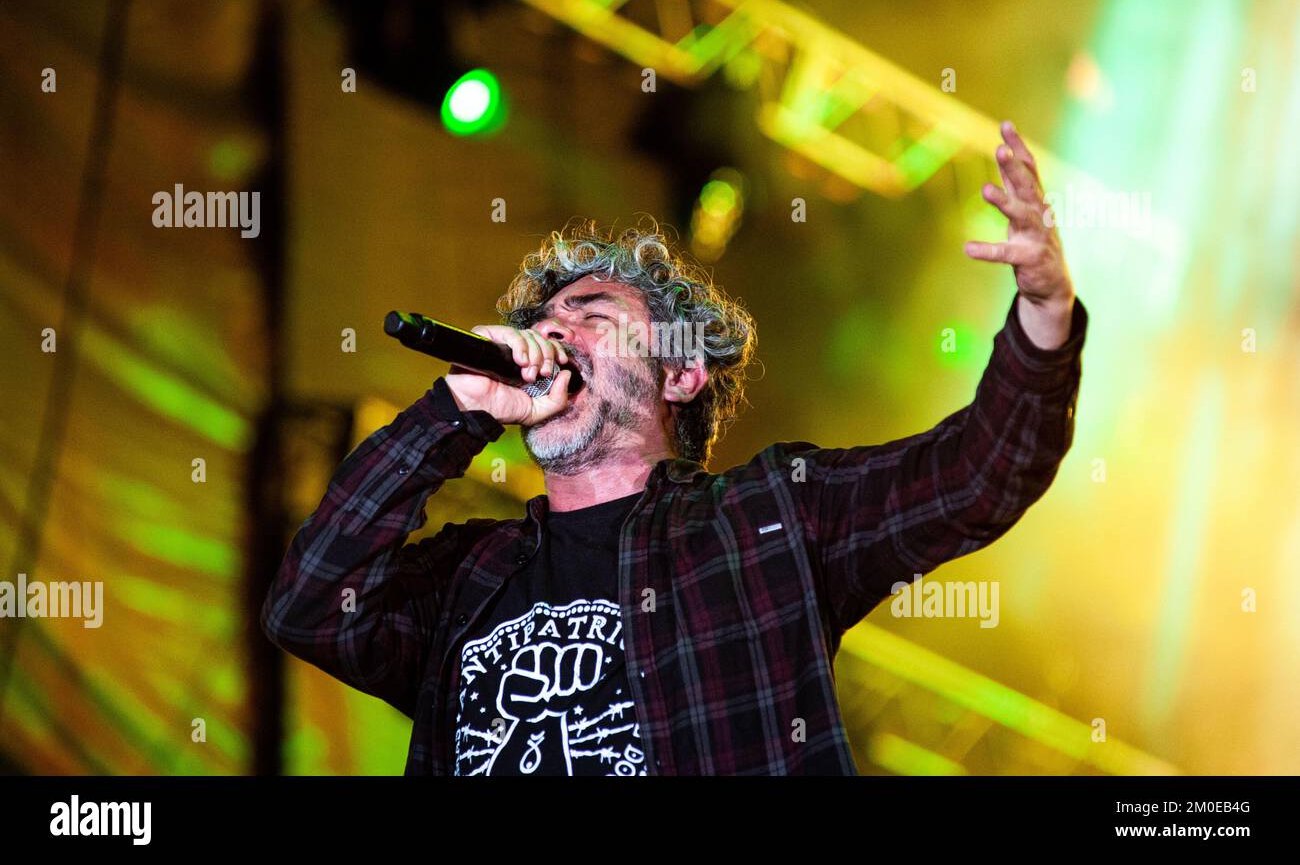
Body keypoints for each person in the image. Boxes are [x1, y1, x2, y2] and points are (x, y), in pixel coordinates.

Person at [261, 121, 1087, 775]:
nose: (554, 330)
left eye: (591, 312)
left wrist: (1045, 313)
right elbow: (308, 607)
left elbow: (980, 473)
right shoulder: (470, 576)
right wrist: (455, 410)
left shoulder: (769, 520)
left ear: (683, 372)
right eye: (545, 324)